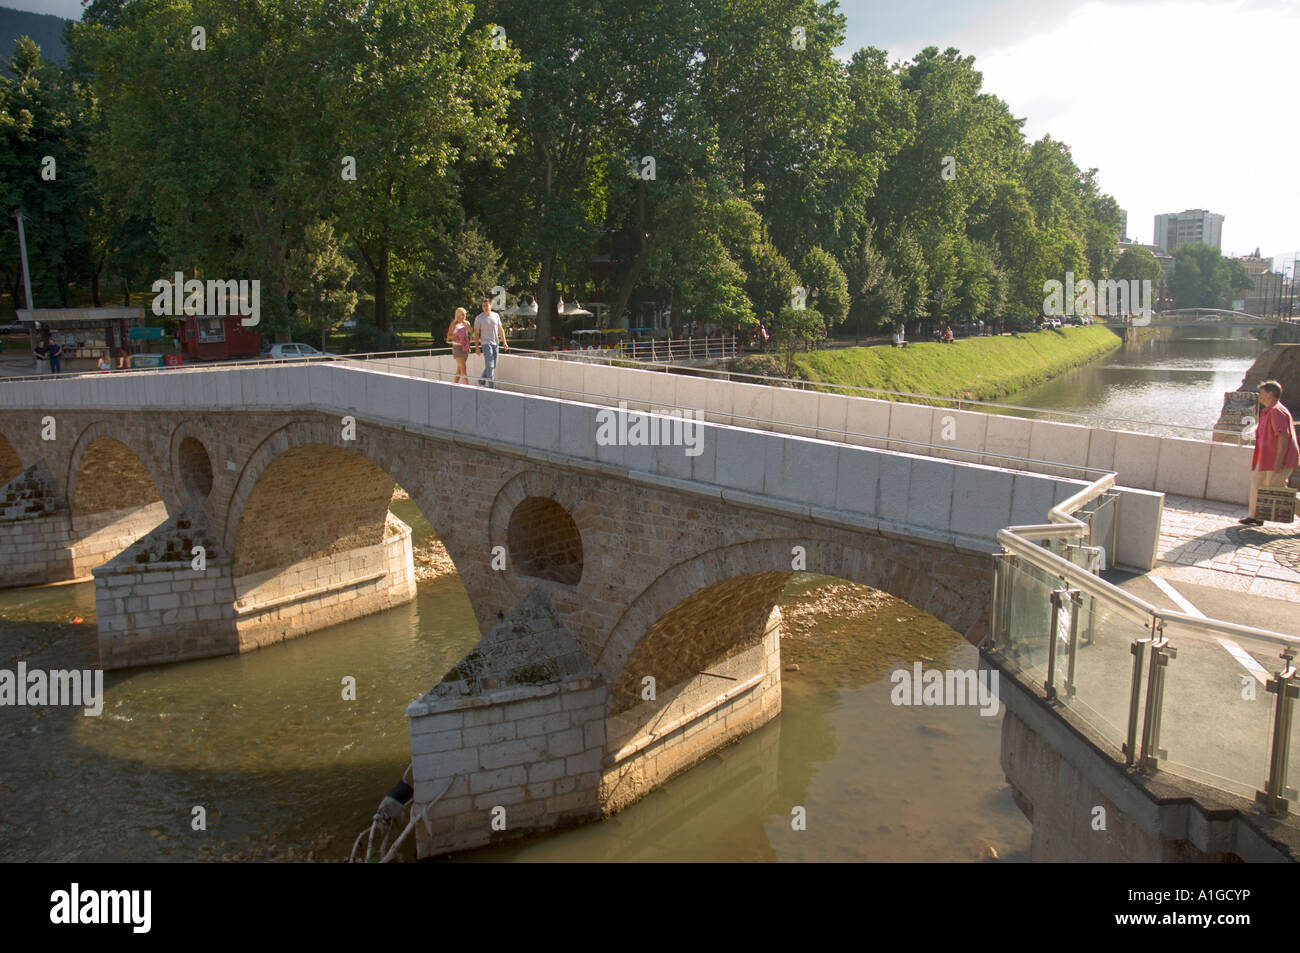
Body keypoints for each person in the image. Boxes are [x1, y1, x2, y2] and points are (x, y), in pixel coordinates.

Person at [1240, 380, 1300, 525]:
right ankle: (1255, 516)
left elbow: (1283, 437)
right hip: (1266, 457)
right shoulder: (1268, 411)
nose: (1259, 396)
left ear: (1271, 393)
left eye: (1262, 393)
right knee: (1257, 482)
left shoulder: (1276, 411)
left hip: (1277, 459)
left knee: (1278, 489)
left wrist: (1279, 461)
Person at [472, 297, 508, 388]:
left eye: (487, 306)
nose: (485, 307)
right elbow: (476, 333)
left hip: (495, 343)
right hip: (485, 344)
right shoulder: (479, 318)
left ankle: (482, 380)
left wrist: (504, 342)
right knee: (490, 364)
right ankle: (491, 386)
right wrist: (476, 347)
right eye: (483, 306)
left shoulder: (496, 315)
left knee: (493, 364)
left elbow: (500, 329)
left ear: (491, 306)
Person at [446, 308, 472, 385]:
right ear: (458, 315)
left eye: (465, 314)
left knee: (460, 369)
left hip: (465, 347)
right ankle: (468, 387)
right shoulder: (453, 324)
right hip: (457, 347)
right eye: (463, 314)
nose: (465, 316)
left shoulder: (466, 323)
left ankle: (454, 385)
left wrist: (466, 325)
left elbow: (471, 331)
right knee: (463, 367)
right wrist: (456, 335)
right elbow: (448, 336)